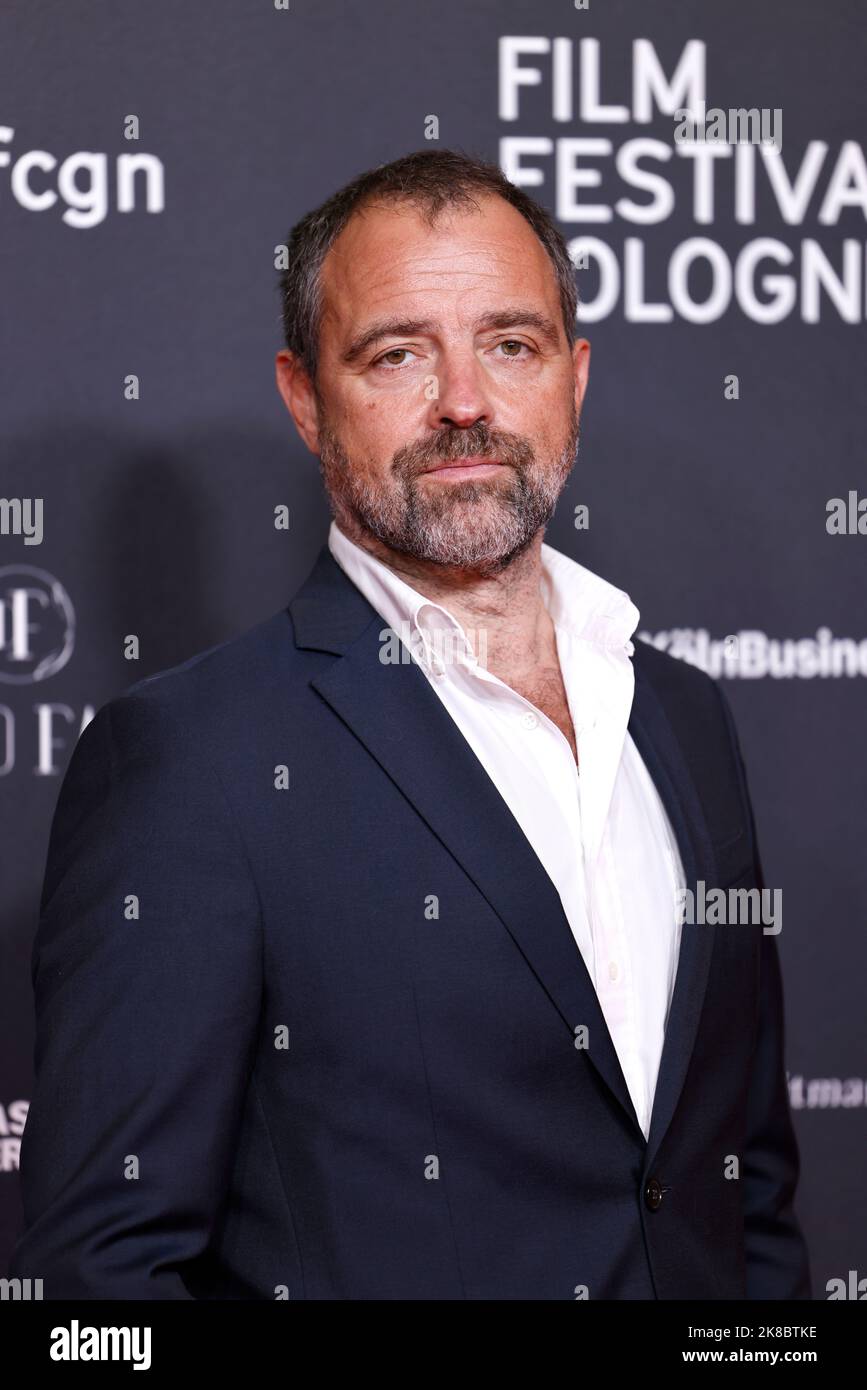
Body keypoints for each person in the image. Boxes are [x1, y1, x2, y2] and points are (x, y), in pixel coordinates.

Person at [10, 149, 811, 1300]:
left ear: (573, 378)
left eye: (511, 344)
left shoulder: (683, 717)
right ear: (303, 398)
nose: (466, 402)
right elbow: (103, 1280)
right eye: (398, 354)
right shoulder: (193, 762)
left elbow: (746, 1197)